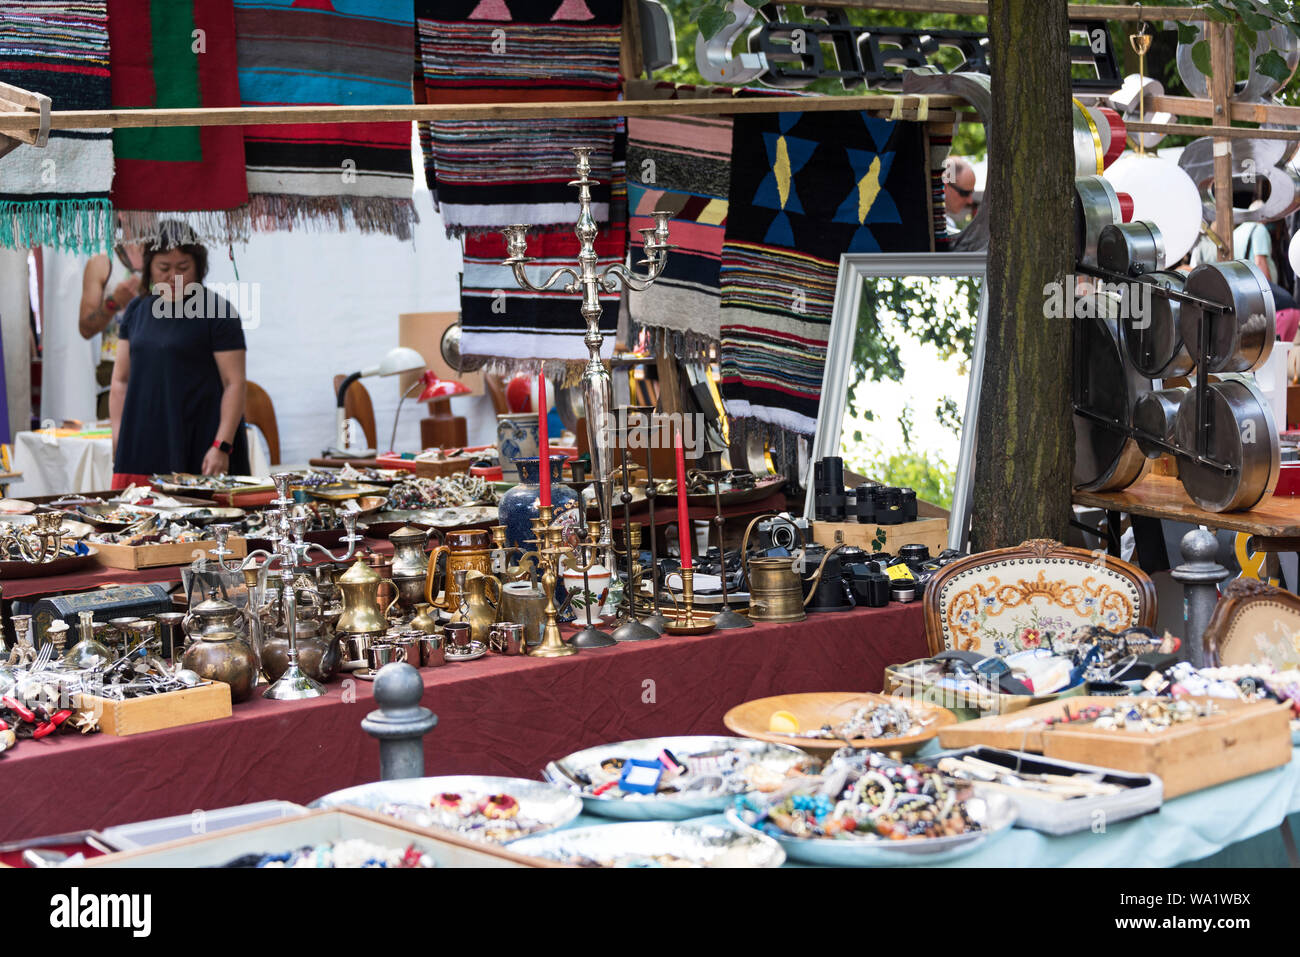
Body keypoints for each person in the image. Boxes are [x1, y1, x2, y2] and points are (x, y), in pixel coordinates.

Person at [109, 222, 250, 487]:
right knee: (138, 522)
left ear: (198, 267)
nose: (173, 276)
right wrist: (118, 433)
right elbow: (120, 380)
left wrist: (222, 445)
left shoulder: (218, 312)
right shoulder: (137, 310)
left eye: (182, 268)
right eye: (164, 268)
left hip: (201, 442)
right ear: (149, 266)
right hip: (141, 443)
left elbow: (235, 384)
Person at [78, 243, 142, 419]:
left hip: (160, 369)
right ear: (121, 214)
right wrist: (114, 302)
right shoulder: (102, 263)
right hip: (115, 371)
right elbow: (85, 327)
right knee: (115, 443)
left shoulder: (164, 257)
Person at [942, 156, 977, 233]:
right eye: (965, 193)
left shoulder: (950, 224)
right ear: (944, 187)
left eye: (971, 192)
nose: (970, 201)